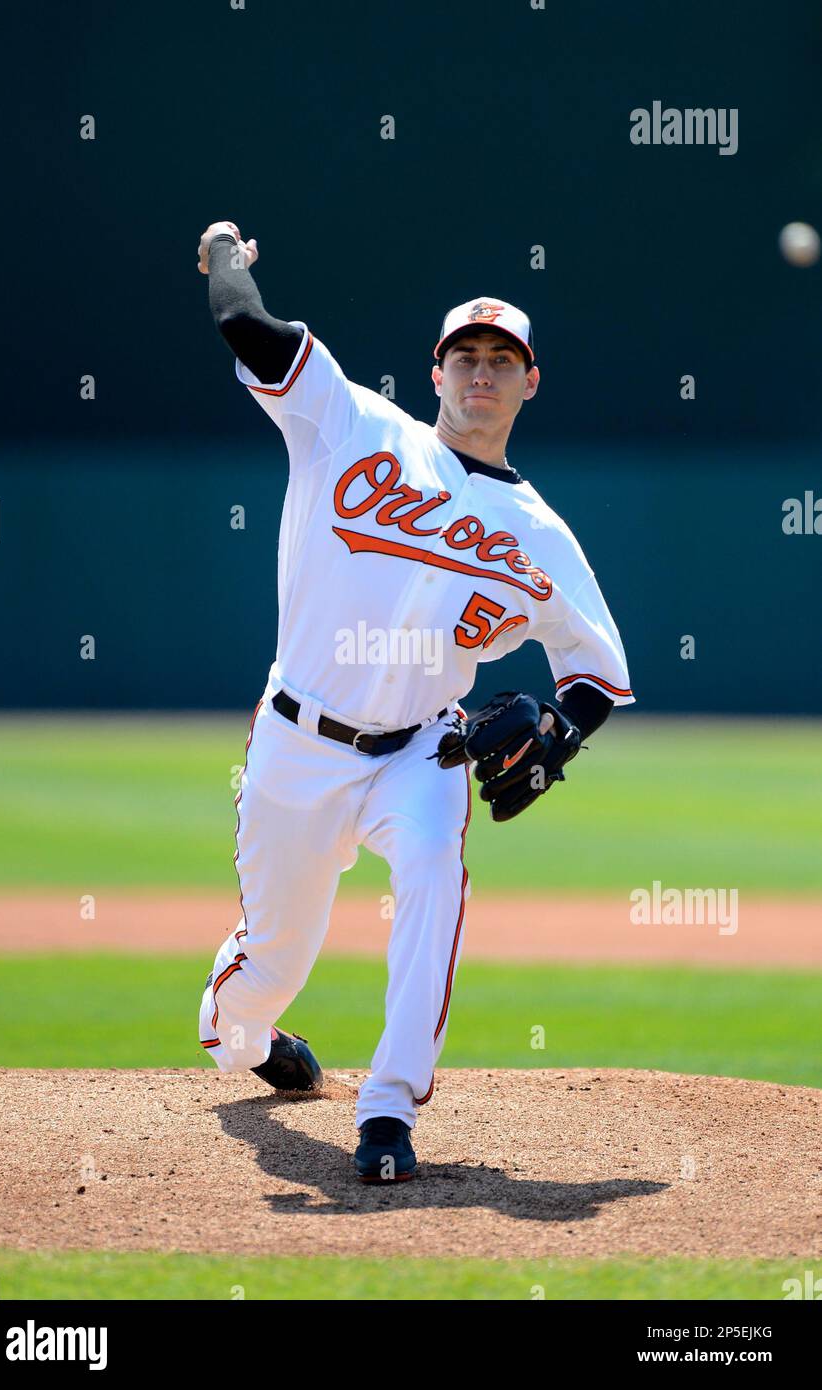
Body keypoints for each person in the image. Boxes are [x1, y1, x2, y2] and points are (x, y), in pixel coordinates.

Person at [196, 220, 634, 1183]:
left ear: (530, 382)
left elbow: (596, 674)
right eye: (465, 356)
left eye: (503, 359)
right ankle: (250, 1034)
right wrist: (227, 255)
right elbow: (249, 327)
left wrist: (557, 736)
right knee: (266, 969)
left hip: (421, 751)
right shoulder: (354, 424)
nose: (483, 373)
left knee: (434, 868)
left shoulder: (541, 535)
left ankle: (388, 1111)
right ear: (435, 374)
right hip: (297, 741)